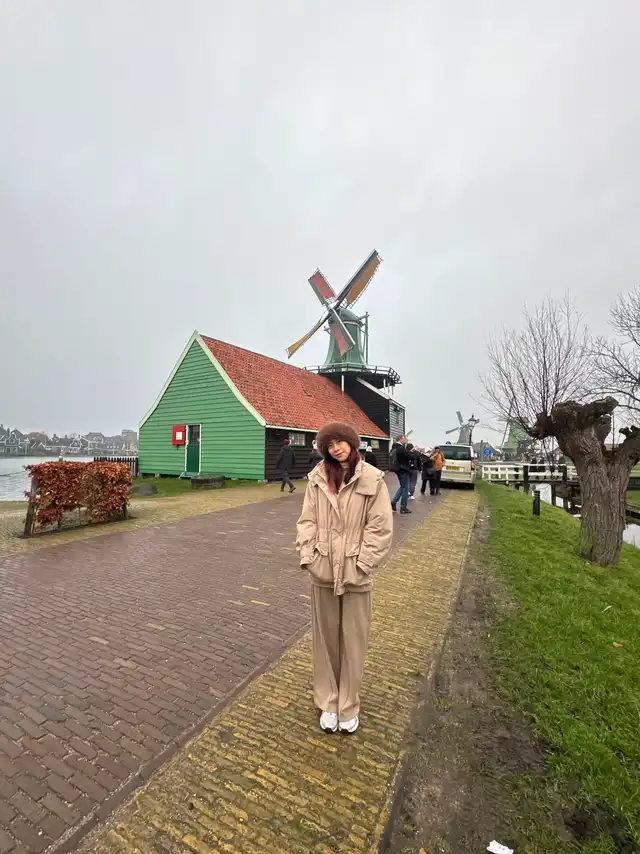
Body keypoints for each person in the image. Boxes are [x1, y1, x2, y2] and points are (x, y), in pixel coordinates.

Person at [296, 422, 393, 734]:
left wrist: (363, 564)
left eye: (340, 442)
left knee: (353, 640)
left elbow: (380, 527)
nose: (336, 448)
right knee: (325, 640)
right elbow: (307, 521)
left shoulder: (372, 480)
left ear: (352, 443)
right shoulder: (317, 479)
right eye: (330, 444)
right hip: (323, 569)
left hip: (355, 572)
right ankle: (329, 701)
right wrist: (309, 556)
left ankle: (349, 705)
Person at [389, 435, 413, 513]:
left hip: (397, 470)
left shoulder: (393, 448)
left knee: (403, 487)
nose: (405, 440)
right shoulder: (401, 449)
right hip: (404, 470)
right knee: (405, 488)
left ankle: (394, 502)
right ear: (401, 439)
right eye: (404, 439)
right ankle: (403, 507)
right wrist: (413, 451)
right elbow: (411, 457)